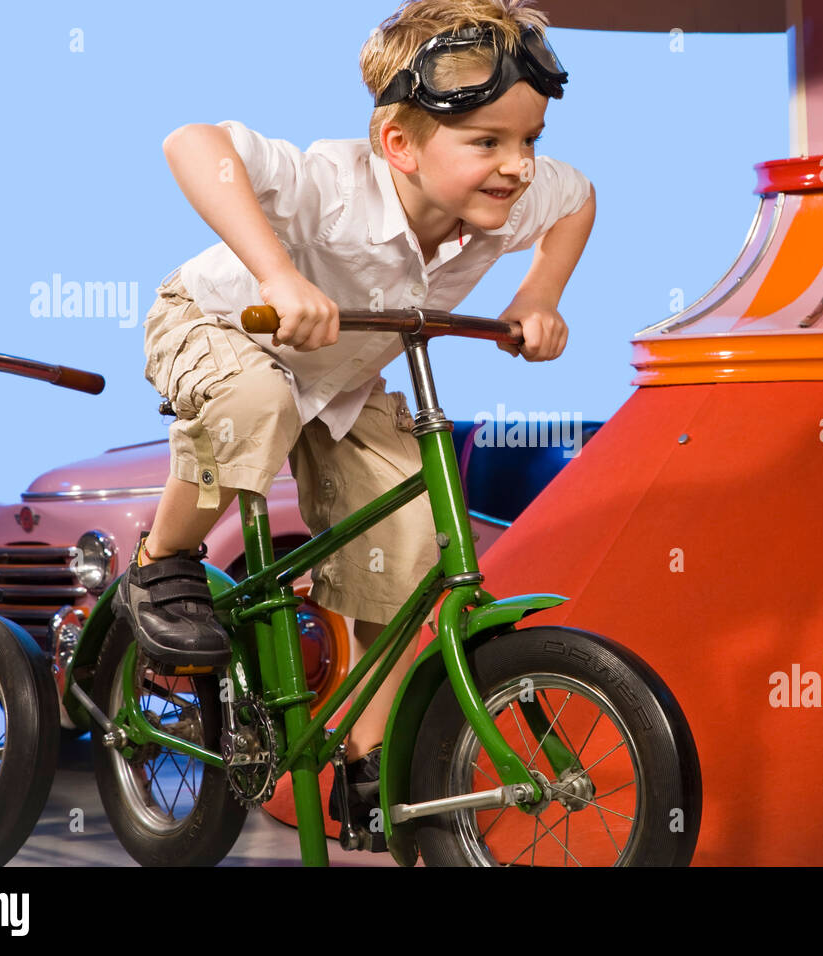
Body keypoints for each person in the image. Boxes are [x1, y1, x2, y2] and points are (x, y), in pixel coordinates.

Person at [115, 0, 595, 849]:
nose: (519, 166)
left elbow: (578, 199)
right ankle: (164, 563)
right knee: (254, 403)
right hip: (222, 325)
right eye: (488, 143)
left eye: (529, 139)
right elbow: (190, 141)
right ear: (399, 145)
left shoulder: (518, 197)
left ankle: (367, 758)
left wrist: (539, 296)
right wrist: (278, 274)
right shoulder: (330, 186)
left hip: (341, 376)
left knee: (411, 541)